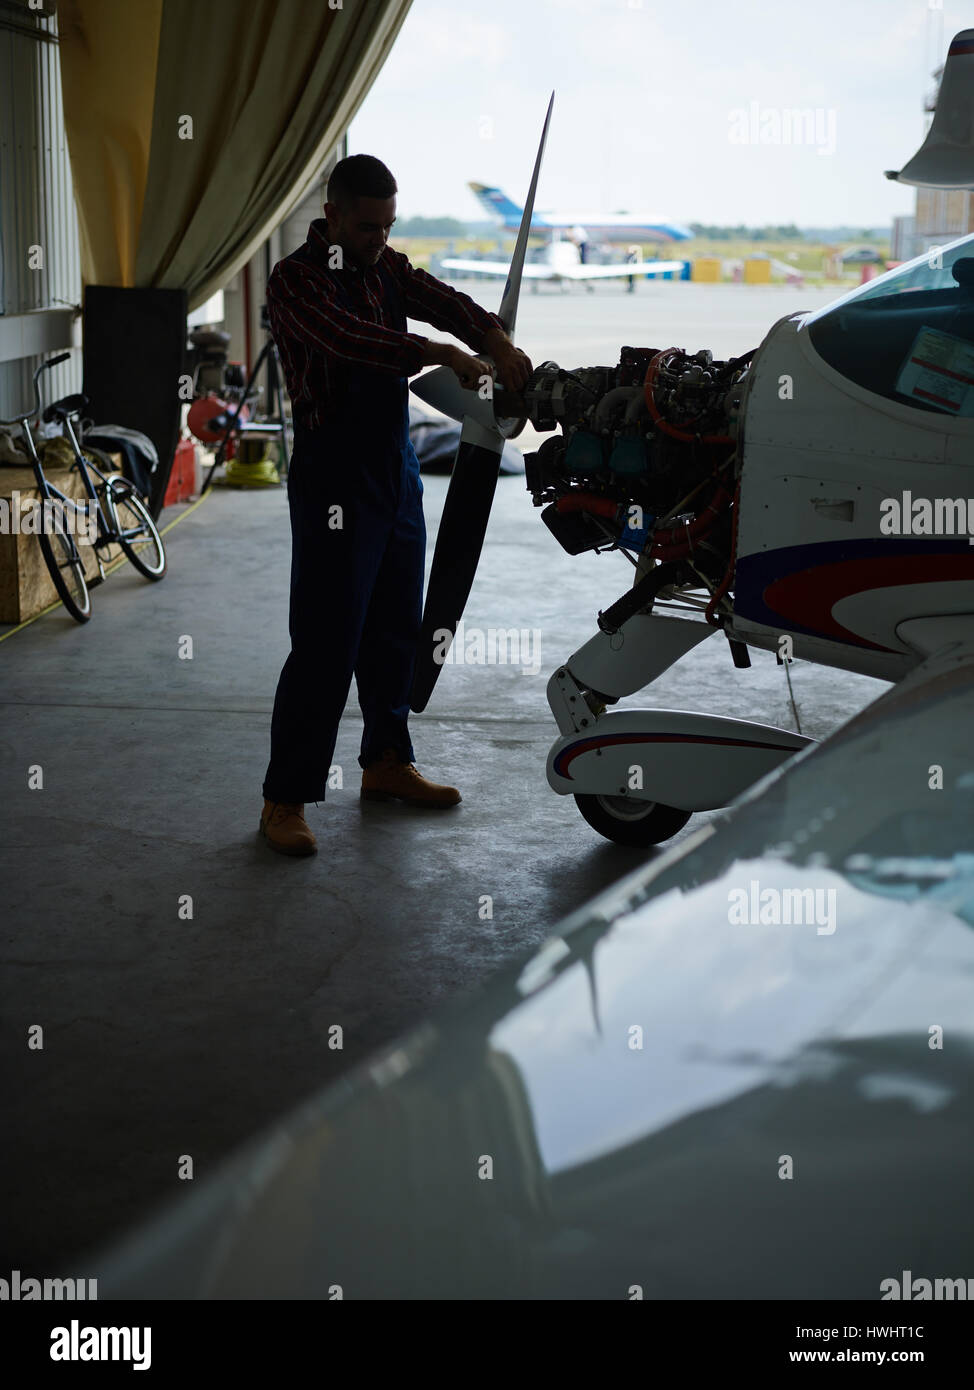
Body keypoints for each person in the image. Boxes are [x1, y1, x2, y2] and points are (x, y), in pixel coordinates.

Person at [259, 154, 532, 856]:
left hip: (393, 467)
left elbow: (438, 296)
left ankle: (385, 761)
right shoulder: (295, 281)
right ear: (333, 216)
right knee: (326, 638)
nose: (379, 239)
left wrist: (494, 340)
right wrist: (434, 350)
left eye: (387, 226)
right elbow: (353, 341)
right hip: (333, 477)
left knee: (394, 627)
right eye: (367, 226)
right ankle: (284, 798)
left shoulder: (385, 266)